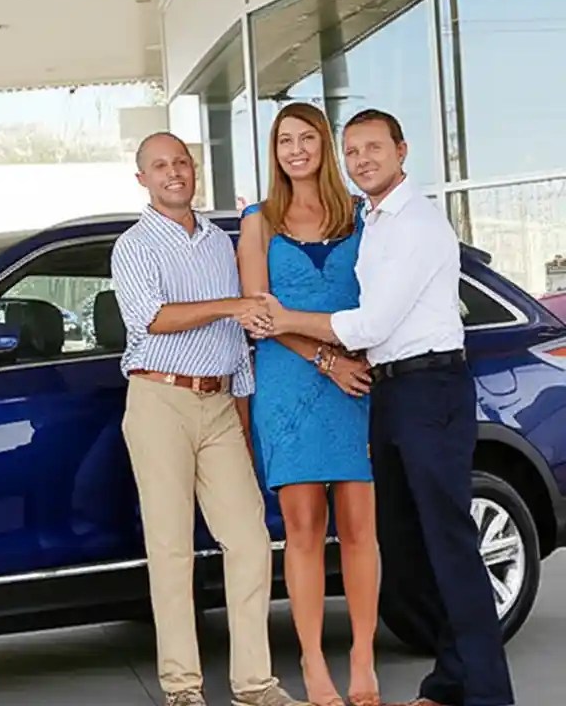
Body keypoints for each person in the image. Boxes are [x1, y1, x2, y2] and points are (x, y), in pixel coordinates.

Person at [252, 109, 515, 706]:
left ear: (402, 151)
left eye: (373, 148)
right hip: (388, 391)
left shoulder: (417, 223)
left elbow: (371, 323)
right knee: (410, 545)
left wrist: (287, 319)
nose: (362, 160)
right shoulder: (372, 221)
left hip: (429, 388)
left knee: (449, 545)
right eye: (352, 151)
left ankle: (489, 693)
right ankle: (449, 681)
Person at [112, 131, 305, 706]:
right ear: (142, 178)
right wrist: (233, 305)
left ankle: (254, 684)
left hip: (220, 402)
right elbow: (150, 318)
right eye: (160, 165)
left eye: (181, 162)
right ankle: (182, 688)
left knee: (249, 540)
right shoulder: (134, 246)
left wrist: (242, 417)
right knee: (171, 549)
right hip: (160, 400)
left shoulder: (221, 242)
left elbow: (236, 341)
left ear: (194, 170)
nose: (174, 172)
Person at [237, 103, 379, 706]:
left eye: (306, 138)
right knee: (303, 528)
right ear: (274, 152)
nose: (295, 150)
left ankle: (363, 658)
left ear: (324, 145)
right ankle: (313, 661)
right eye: (284, 141)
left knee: (360, 526)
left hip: (357, 385)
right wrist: (327, 360)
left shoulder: (360, 217)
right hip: (290, 382)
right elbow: (258, 314)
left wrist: (352, 362)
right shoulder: (258, 221)